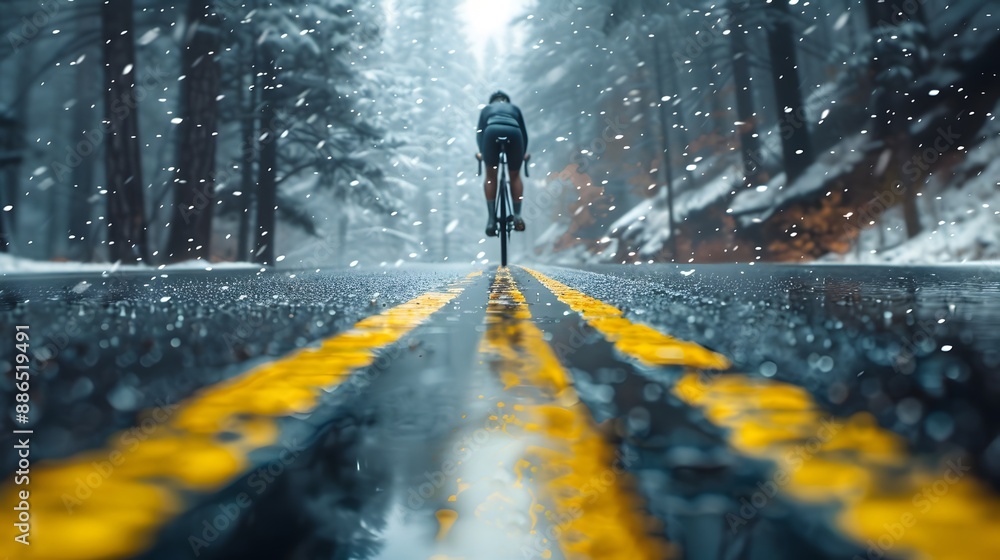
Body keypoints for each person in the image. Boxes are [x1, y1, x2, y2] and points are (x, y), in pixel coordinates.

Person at [476, 91, 530, 237]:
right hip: (514, 132)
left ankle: (491, 220)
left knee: (491, 175)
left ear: (492, 101)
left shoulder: (487, 109)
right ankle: (517, 215)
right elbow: (524, 135)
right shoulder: (514, 108)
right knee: (515, 176)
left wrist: (482, 153)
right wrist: (522, 154)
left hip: (491, 131)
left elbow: (480, 133)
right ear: (507, 101)